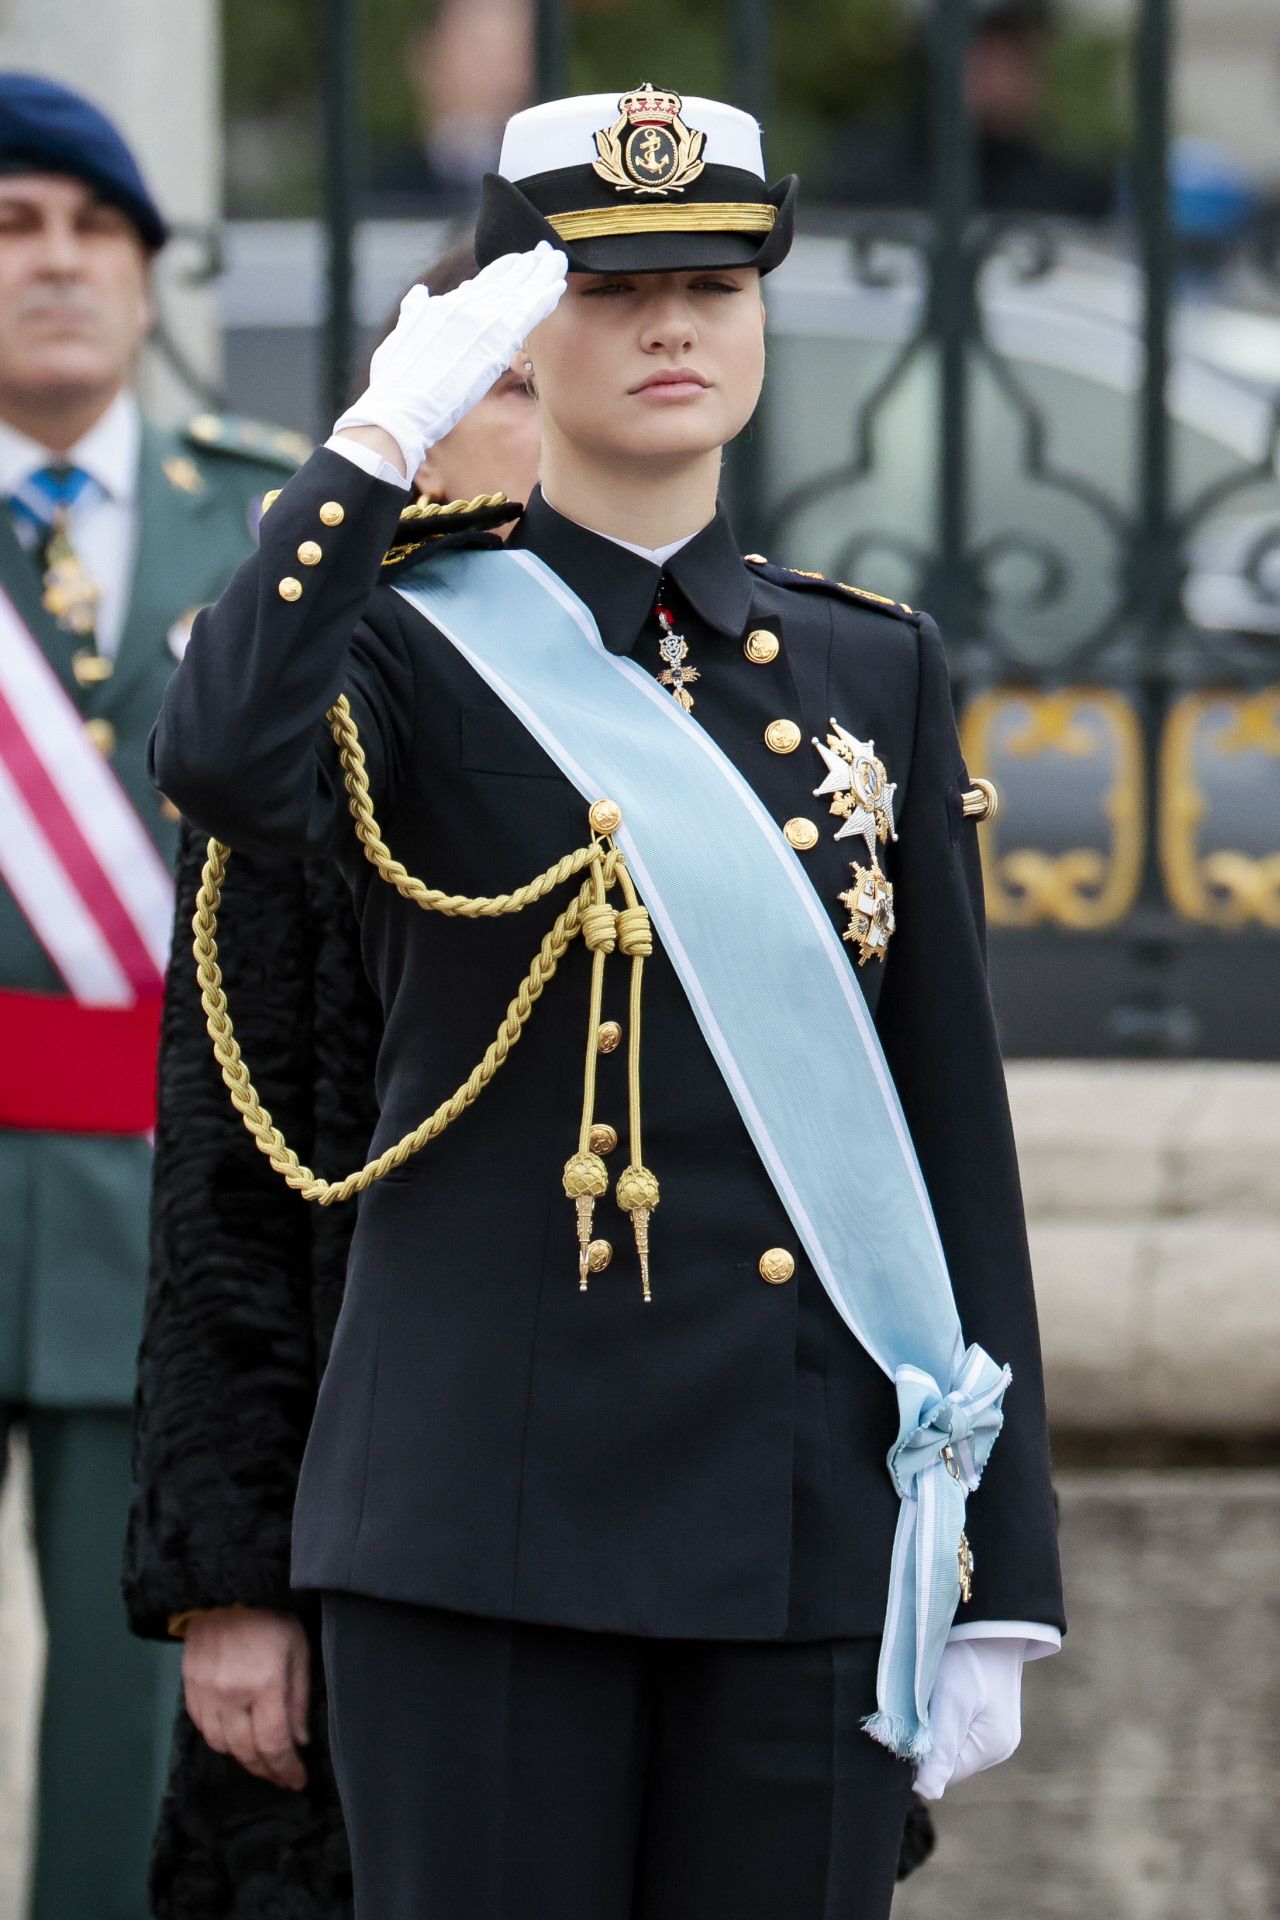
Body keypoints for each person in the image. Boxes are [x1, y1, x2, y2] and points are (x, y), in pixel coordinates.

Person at [151, 86, 1065, 1920]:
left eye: (716, 282)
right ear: (512, 322)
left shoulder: (873, 667)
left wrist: (1003, 1568)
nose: (669, 323)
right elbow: (225, 758)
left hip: (800, 1524)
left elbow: (946, 1124)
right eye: (608, 282)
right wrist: (381, 439)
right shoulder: (401, 642)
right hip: (475, 1527)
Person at [123, 236, 541, 1920]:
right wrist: (231, 1586)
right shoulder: (335, 706)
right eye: (500, 386)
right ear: (419, 428)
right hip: (391, 1526)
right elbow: (227, 1181)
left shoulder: (773, 689)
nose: (548, 417)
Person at [0, 71, 304, 1920]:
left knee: (136, 1735)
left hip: (157, 1213)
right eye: (10, 231)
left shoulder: (267, 524)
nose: (53, 266)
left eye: (91, 231)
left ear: (146, 274)